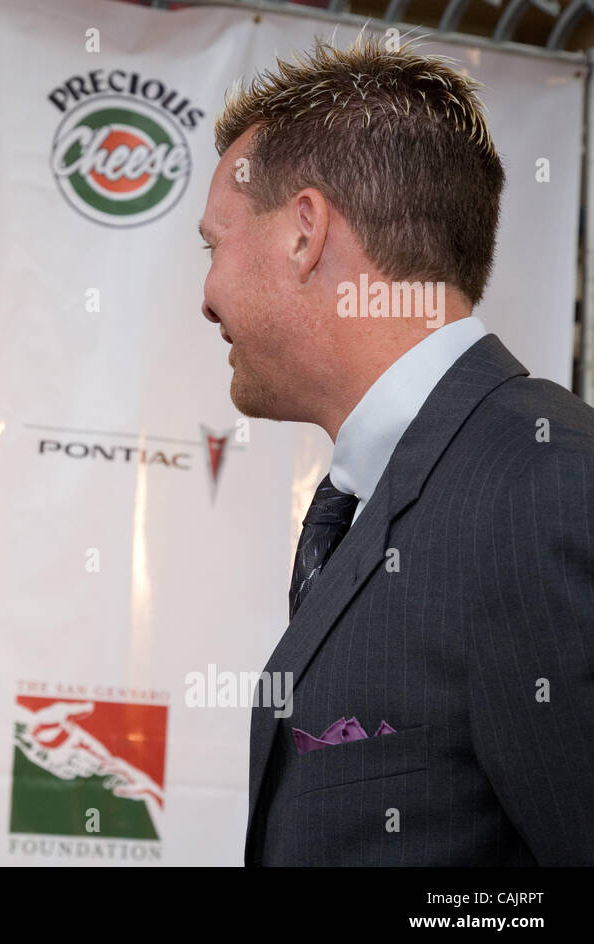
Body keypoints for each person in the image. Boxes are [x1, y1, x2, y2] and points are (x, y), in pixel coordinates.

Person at [198, 37, 594, 865]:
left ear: (305, 232)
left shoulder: (546, 485)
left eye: (216, 245)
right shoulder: (377, 497)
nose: (207, 298)